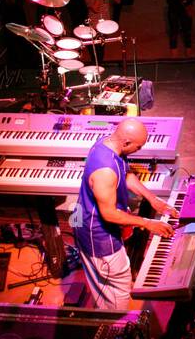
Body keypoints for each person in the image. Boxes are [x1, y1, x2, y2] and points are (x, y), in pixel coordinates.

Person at [73, 118, 179, 310]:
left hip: (85, 223)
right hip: (99, 237)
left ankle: (105, 311)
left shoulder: (108, 144)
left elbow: (126, 174)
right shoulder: (105, 171)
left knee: (104, 286)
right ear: (126, 142)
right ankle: (115, 330)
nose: (138, 151)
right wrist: (147, 223)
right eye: (137, 147)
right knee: (120, 290)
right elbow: (110, 214)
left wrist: (153, 199)